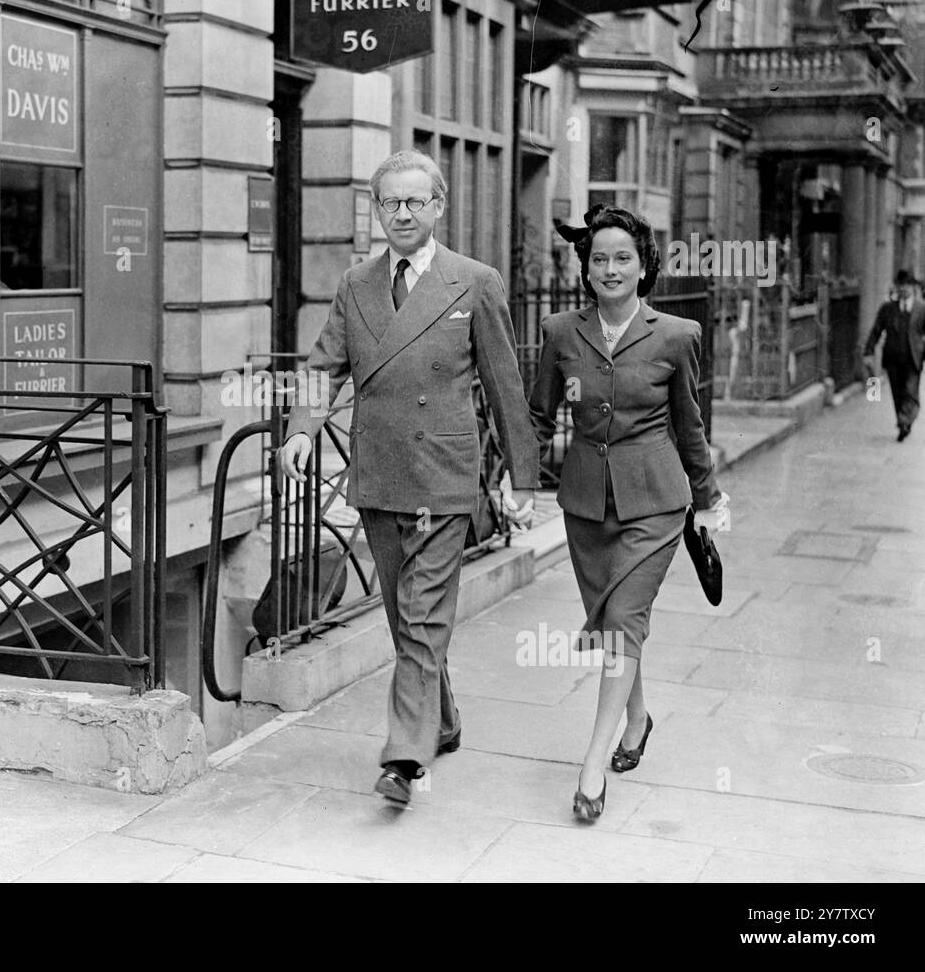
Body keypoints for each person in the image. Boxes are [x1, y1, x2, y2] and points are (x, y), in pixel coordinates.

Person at [279, 150, 539, 805]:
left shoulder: (475, 282)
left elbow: (508, 388)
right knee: (407, 621)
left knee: (422, 620)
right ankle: (443, 722)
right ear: (376, 210)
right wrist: (302, 429)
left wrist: (524, 477)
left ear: (438, 207)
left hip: (443, 477)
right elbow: (321, 367)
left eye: (415, 202)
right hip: (378, 474)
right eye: (389, 202)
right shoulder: (355, 284)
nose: (401, 213)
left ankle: (402, 756)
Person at [530, 205, 727, 821]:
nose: (610, 269)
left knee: (622, 619)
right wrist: (513, 479)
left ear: (645, 268)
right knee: (618, 625)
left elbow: (690, 428)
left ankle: (592, 766)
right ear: (585, 269)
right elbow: (540, 414)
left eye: (623, 258)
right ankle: (637, 717)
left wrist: (708, 500)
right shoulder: (561, 332)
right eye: (599, 259)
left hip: (656, 502)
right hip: (585, 503)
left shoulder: (675, 336)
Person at [862, 269, 925, 442]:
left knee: (910, 392)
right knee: (897, 394)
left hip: (913, 359)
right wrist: (868, 351)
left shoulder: (921, 308)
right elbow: (876, 330)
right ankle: (903, 420)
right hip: (893, 359)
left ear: (913, 287)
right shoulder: (887, 309)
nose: (904, 289)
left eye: (907, 285)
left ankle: (905, 420)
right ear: (897, 287)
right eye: (900, 285)